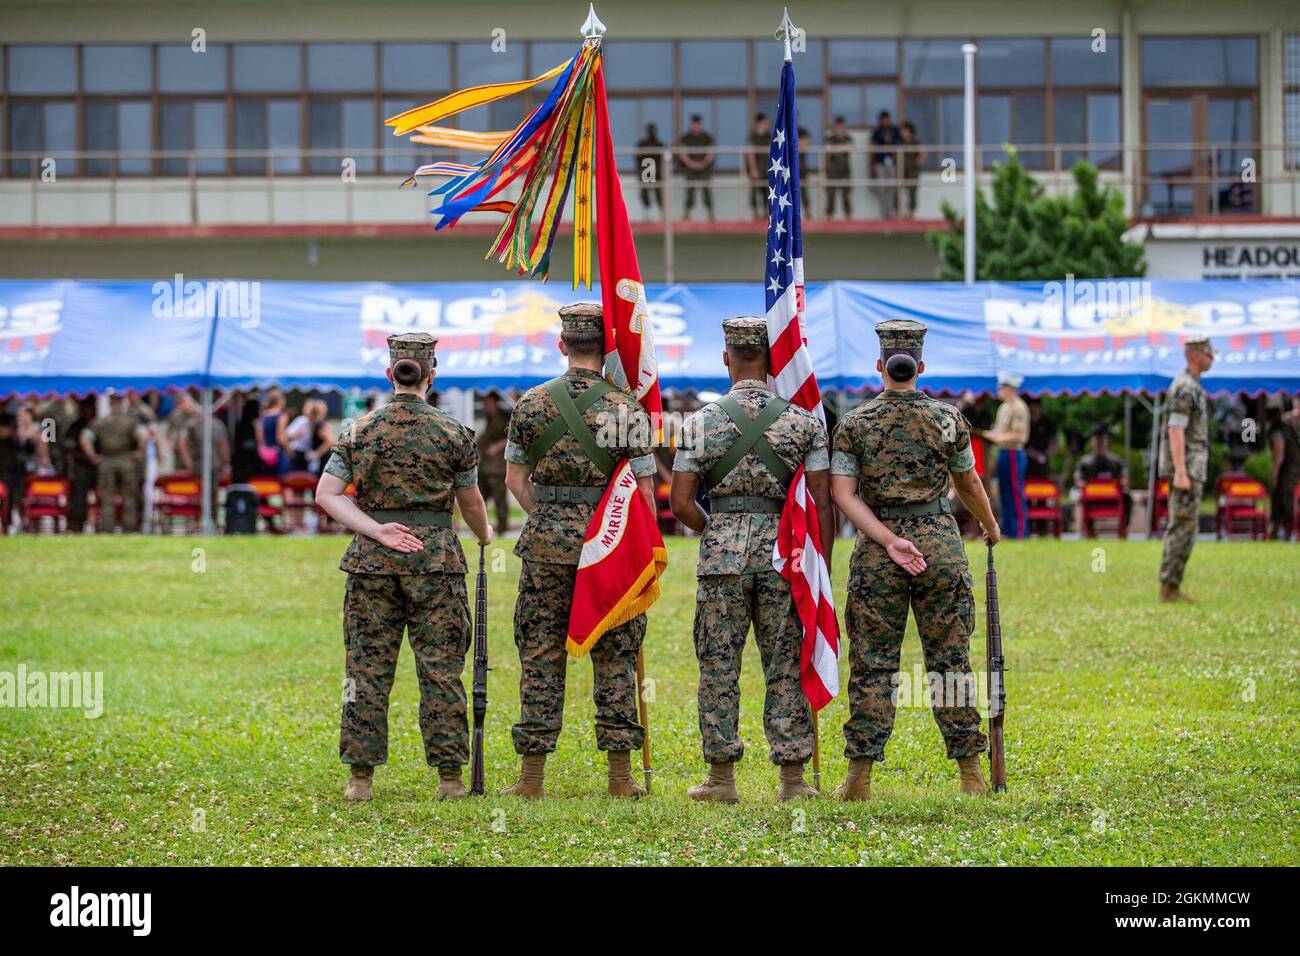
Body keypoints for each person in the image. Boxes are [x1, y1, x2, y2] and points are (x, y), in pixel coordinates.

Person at [316, 333, 491, 803]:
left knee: (366, 670)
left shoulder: (357, 430)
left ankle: (360, 780)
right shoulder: (454, 433)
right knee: (441, 670)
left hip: (372, 564)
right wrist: (484, 534)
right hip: (435, 563)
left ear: (390, 373)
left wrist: (375, 530)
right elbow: (470, 500)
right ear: (432, 375)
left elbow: (326, 495)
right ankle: (450, 779)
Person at [829, 319, 1001, 800]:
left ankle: (858, 779)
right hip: (940, 548)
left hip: (878, 553)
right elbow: (967, 483)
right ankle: (971, 774)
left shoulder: (855, 424)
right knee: (951, 661)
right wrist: (989, 526)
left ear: (879, 366)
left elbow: (843, 495)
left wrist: (887, 539)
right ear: (921, 367)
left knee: (872, 663)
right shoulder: (948, 419)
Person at [669, 317, 831, 803]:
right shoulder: (805, 423)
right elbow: (821, 499)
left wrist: (716, 529)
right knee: (784, 662)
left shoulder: (698, 423)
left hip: (721, 561)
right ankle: (793, 780)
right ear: (772, 359)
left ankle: (721, 780)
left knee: (718, 664)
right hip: (787, 557)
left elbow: (679, 504)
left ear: (726, 358)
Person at [501, 303, 656, 799]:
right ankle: (619, 778)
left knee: (541, 652)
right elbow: (645, 492)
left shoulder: (530, 404)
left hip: (546, 546)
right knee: (615, 652)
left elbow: (514, 480)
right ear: (605, 348)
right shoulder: (628, 408)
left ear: (563, 345)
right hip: (610, 547)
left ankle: (531, 779)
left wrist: (547, 517)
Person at [1158, 337, 1215, 602]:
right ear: (1195, 356)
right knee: (1182, 524)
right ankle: (1169, 587)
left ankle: (1172, 585)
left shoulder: (1191, 386)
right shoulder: (1184, 388)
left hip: (1191, 467)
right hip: (1187, 468)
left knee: (1187, 525)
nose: (1211, 359)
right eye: (1207, 354)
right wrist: (1181, 470)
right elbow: (1176, 428)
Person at [80, 390, 147, 533]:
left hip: (107, 461)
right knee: (129, 496)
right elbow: (144, 435)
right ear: (122, 403)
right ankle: (129, 528)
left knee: (107, 497)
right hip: (126, 460)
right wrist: (140, 452)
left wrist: (93, 456)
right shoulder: (130, 421)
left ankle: (107, 528)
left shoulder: (101, 422)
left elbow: (85, 439)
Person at [983, 371, 1030, 539]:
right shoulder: (1003, 407)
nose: (999, 390)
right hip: (1003, 452)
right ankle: (1008, 531)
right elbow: (999, 431)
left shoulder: (1018, 407)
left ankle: (1019, 532)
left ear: (1009, 388)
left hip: (1013, 453)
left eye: (1001, 387)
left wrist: (997, 437)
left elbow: (1019, 435)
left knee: (1015, 494)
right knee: (1004, 493)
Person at [174, 390, 232, 515]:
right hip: (201, 466)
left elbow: (224, 444)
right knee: (205, 495)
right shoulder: (195, 424)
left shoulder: (210, 424)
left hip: (209, 466)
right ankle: (207, 519)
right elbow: (182, 443)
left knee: (210, 495)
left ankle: (209, 519)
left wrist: (226, 463)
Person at [1074, 421, 1131, 530]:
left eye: (1102, 440)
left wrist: (1119, 484)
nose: (1099, 443)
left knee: (1127, 497)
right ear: (1092, 442)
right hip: (1092, 499)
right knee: (1080, 498)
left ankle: (1123, 528)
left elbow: (1125, 479)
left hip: (1113, 498)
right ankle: (1088, 529)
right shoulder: (1085, 463)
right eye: (1097, 441)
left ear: (1106, 442)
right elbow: (1078, 480)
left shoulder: (1116, 461)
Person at [476, 388, 511, 537]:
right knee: (481, 496)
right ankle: (480, 526)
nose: (485, 405)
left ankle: (502, 527)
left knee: (499, 498)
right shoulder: (489, 417)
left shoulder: (505, 416)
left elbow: (511, 436)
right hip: (485, 465)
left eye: (487, 402)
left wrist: (497, 447)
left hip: (498, 466)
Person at [63, 397, 99, 533]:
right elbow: (69, 448)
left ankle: (100, 525)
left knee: (103, 497)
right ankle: (76, 526)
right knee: (78, 498)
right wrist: (87, 457)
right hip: (81, 467)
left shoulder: (99, 424)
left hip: (98, 467)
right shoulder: (76, 426)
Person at [1270, 394, 1300, 539]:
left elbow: (1279, 453)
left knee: (1283, 502)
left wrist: (1274, 474)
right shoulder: (1291, 425)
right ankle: (1284, 532)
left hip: (1287, 472)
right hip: (1293, 470)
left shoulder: (1280, 428)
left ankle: (1284, 532)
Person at [678, 114, 716, 221]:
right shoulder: (686, 138)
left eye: (698, 124)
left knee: (706, 189)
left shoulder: (707, 137)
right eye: (694, 124)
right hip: (690, 168)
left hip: (705, 167)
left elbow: (712, 152)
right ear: (691, 125)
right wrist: (692, 164)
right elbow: (682, 152)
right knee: (690, 189)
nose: (696, 126)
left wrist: (703, 163)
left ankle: (710, 213)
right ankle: (687, 213)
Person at [869, 110, 902, 219]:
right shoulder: (877, 132)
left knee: (892, 188)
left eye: (886, 120)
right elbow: (873, 148)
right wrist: (871, 164)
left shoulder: (895, 130)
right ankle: (884, 214)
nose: (885, 122)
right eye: (883, 120)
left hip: (892, 164)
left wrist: (898, 163)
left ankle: (892, 212)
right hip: (880, 163)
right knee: (882, 188)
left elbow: (899, 146)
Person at [824, 115, 853, 219]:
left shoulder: (848, 138)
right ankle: (829, 217)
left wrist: (835, 148)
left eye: (841, 126)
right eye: (838, 126)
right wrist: (841, 148)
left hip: (845, 171)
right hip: (832, 171)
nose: (840, 128)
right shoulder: (830, 138)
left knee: (846, 196)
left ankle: (848, 217)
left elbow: (850, 148)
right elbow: (827, 149)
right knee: (831, 195)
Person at [230, 397, 263, 483]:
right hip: (243, 464)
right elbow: (245, 445)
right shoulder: (243, 426)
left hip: (247, 463)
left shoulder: (250, 425)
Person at [635, 122, 664, 215]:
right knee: (644, 193)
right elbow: (638, 159)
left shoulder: (659, 145)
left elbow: (663, 160)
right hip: (645, 172)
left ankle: (661, 212)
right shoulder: (642, 144)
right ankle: (647, 213)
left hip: (657, 173)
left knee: (659, 192)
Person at [745, 113, 771, 220]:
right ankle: (755, 213)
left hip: (767, 167)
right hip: (757, 167)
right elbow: (750, 154)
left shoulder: (769, 136)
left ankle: (766, 212)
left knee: (767, 191)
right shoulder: (753, 137)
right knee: (755, 190)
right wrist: (753, 169)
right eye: (765, 122)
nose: (767, 124)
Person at [259, 390, 290, 476]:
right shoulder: (282, 415)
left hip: (265, 454)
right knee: (283, 482)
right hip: (278, 454)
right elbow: (280, 438)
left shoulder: (263, 415)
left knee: (269, 483)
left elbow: (260, 437)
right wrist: (289, 451)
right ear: (280, 401)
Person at [899, 120, 925, 219]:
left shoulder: (915, 142)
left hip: (913, 171)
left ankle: (911, 213)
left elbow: (923, 153)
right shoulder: (900, 142)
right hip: (902, 171)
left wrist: (917, 161)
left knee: (912, 192)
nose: (902, 133)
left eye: (904, 130)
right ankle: (900, 213)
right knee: (900, 192)